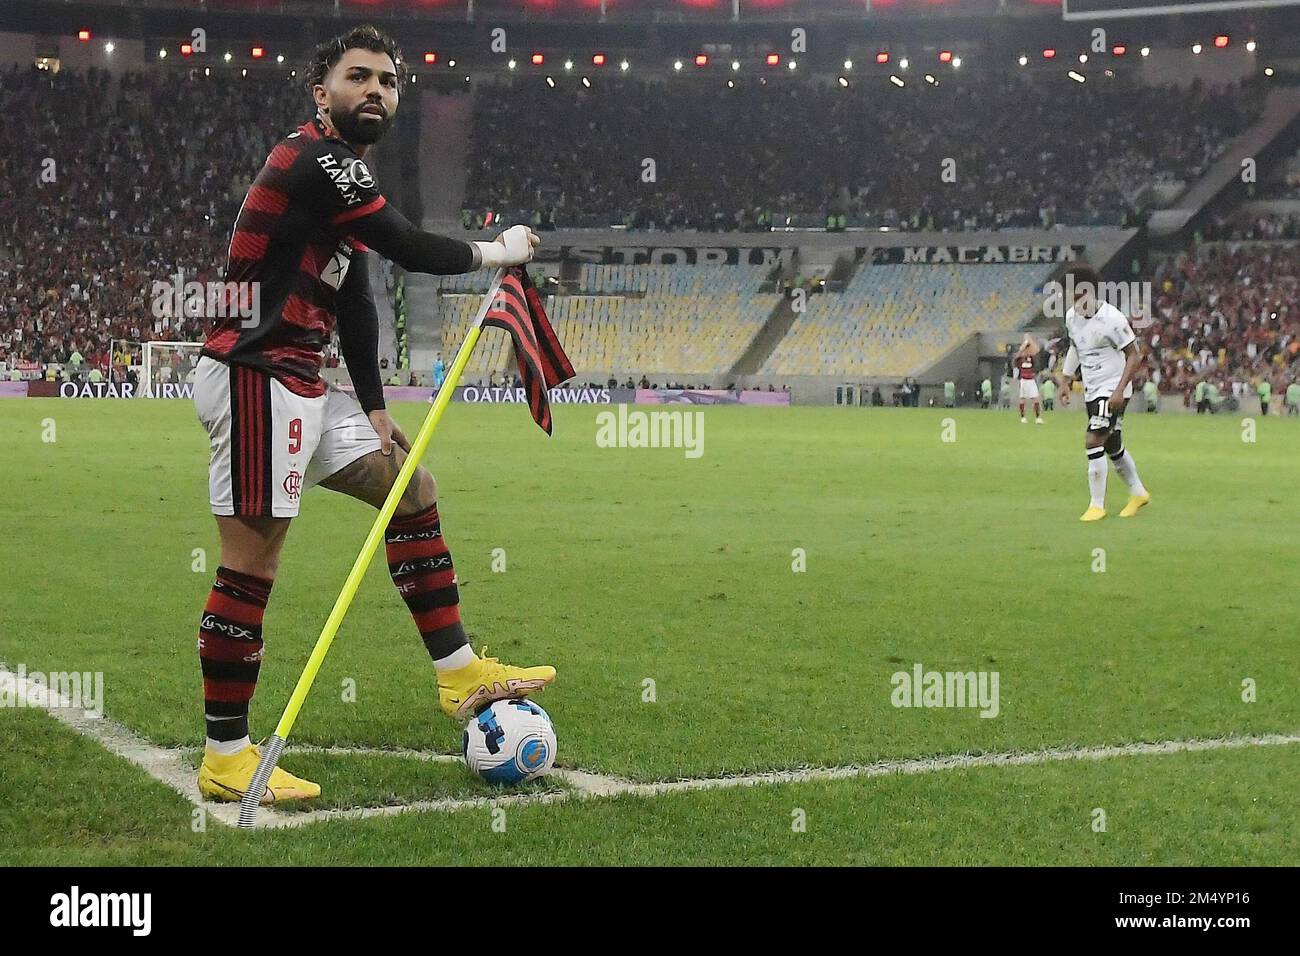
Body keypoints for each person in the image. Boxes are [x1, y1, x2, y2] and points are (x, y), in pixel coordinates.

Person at [190, 25, 554, 806]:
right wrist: (499, 251)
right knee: (252, 563)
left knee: (409, 487)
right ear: (322, 92)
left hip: (303, 384)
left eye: (389, 83)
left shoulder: (340, 178)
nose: (377, 92)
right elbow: (406, 246)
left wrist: (379, 405)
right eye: (360, 77)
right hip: (255, 375)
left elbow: (354, 294)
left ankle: (458, 677)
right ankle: (225, 755)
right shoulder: (313, 159)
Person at [1053, 265, 1150, 522]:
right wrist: (1065, 380)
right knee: (1112, 443)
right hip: (1092, 389)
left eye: (1077, 296)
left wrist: (1119, 391)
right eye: (1070, 297)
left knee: (1093, 440)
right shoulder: (1072, 317)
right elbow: (1075, 347)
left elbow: (1134, 355)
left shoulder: (1113, 319)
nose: (1073, 303)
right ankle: (1138, 493)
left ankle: (1097, 505)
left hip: (1112, 388)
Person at [1012, 338, 1042, 424]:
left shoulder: (1031, 358)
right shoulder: (1019, 359)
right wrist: (1024, 344)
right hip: (1023, 380)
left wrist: (1030, 341)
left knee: (1036, 399)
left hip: (1031, 380)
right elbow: (1016, 357)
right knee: (1022, 399)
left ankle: (1038, 417)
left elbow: (1036, 350)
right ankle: (1023, 417)